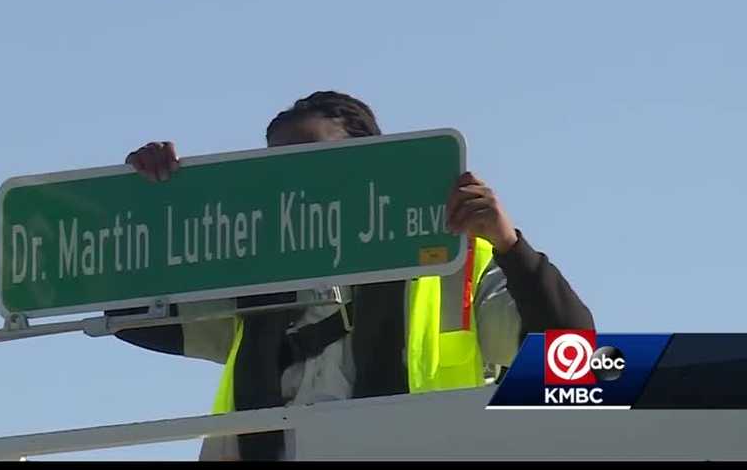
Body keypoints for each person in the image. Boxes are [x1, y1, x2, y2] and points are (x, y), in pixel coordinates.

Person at [110, 91, 594, 461]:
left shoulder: (455, 266)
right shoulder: (256, 278)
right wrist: (150, 202)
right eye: (278, 167)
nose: (296, 182)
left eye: (315, 162)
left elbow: (571, 354)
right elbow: (132, 314)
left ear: (371, 167)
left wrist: (508, 244)